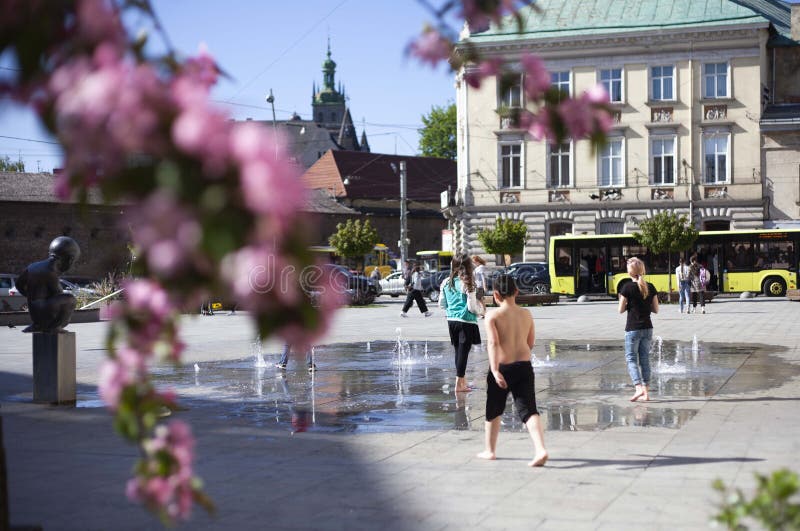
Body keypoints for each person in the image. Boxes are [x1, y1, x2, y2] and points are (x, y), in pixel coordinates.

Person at [476, 274, 548, 467]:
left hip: (502, 368)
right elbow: (530, 342)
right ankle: (540, 449)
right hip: (524, 366)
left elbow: (493, 342)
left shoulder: (492, 315)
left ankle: (490, 451)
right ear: (516, 291)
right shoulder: (526, 314)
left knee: (494, 409)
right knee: (529, 410)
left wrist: (494, 370)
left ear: (496, 295)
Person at [439, 253, 482, 393]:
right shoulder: (467, 282)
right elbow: (472, 307)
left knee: (459, 351)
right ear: (469, 266)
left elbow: (442, 304)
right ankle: (459, 384)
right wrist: (482, 311)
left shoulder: (446, 282)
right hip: (466, 321)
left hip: (451, 321)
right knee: (463, 353)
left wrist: (452, 309)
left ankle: (462, 382)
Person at [618, 257, 659, 402]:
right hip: (648, 328)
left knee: (631, 359)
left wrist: (629, 303)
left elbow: (620, 310)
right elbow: (656, 310)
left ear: (630, 272)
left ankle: (638, 388)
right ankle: (646, 392)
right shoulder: (650, 287)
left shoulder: (626, 288)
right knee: (645, 360)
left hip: (633, 328)